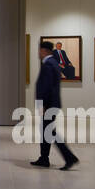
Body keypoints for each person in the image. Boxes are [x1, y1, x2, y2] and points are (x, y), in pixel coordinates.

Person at [31, 40, 78, 170]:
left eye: (39, 51)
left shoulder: (48, 65)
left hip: (48, 105)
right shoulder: (53, 63)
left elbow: (46, 87)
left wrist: (43, 105)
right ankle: (44, 158)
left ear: (44, 51)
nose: (38, 53)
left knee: (49, 131)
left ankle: (69, 157)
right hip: (51, 104)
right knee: (46, 131)